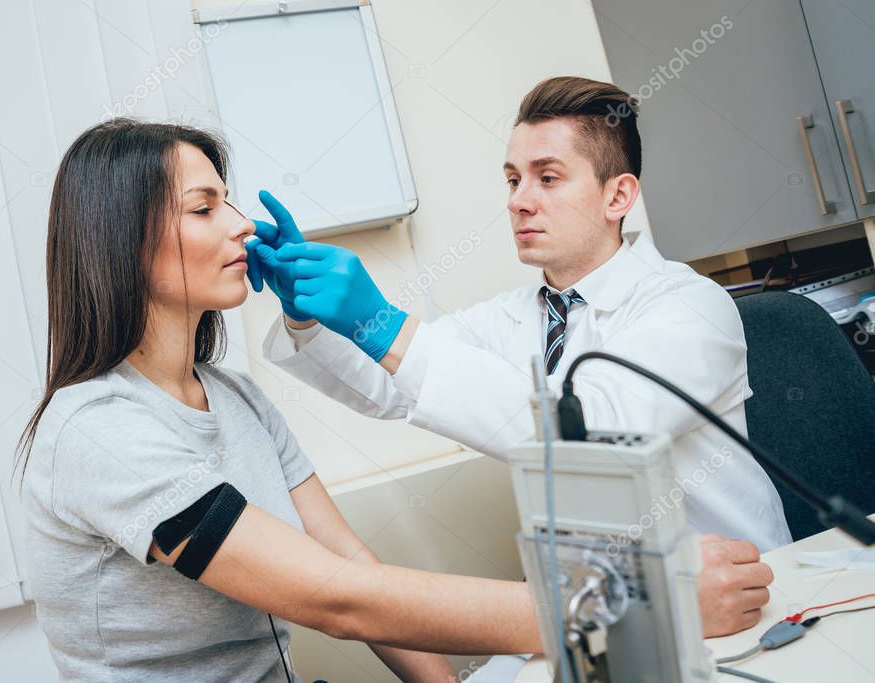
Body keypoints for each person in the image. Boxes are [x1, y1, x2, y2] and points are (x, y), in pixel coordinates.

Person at [248, 77, 792, 678]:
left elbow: (597, 432)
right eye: (512, 179)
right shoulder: (509, 318)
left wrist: (384, 325)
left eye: (547, 177)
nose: (518, 200)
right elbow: (390, 386)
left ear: (618, 196)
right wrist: (307, 316)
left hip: (728, 606)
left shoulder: (691, 307)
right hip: (592, 613)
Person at [17, 118, 562, 683]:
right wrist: (568, 614)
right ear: (122, 240)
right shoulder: (100, 430)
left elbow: (348, 563)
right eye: (204, 209)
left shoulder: (235, 397)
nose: (243, 227)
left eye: (229, 203)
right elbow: (339, 601)